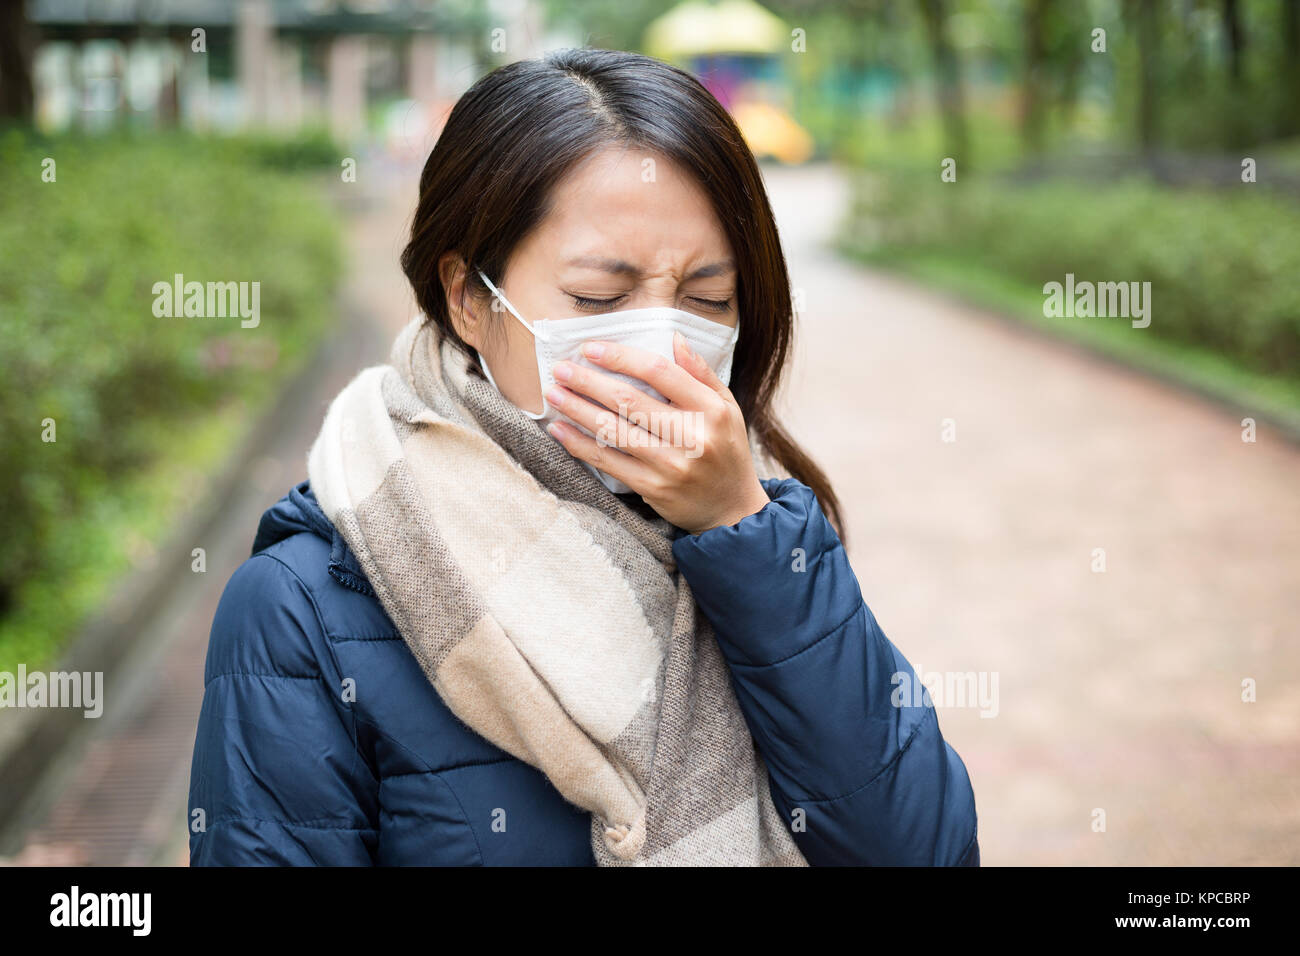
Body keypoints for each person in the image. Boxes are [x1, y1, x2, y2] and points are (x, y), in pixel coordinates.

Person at [187, 47, 979, 866]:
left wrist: (742, 533)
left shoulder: (769, 534)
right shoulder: (302, 611)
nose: (666, 349)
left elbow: (925, 849)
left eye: (708, 300)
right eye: (601, 298)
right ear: (467, 297)